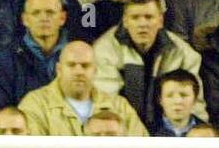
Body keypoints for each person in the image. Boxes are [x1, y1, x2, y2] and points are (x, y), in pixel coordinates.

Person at [93, 0, 205, 130]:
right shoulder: (104, 50)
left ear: (160, 21)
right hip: (124, 133)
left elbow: (195, 106)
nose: (142, 24)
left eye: (149, 17)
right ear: (125, 21)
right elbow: (107, 106)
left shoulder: (185, 54)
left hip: (169, 133)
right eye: (135, 17)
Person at [0, 0, 69, 122]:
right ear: (25, 19)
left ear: (62, 18)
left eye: (50, 12)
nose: (43, 18)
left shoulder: (79, 59)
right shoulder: (1, 65)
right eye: (36, 13)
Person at [19, 40, 148, 139]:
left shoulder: (120, 106)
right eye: (71, 65)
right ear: (58, 69)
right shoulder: (35, 104)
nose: (79, 71)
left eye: (85, 66)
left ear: (95, 71)